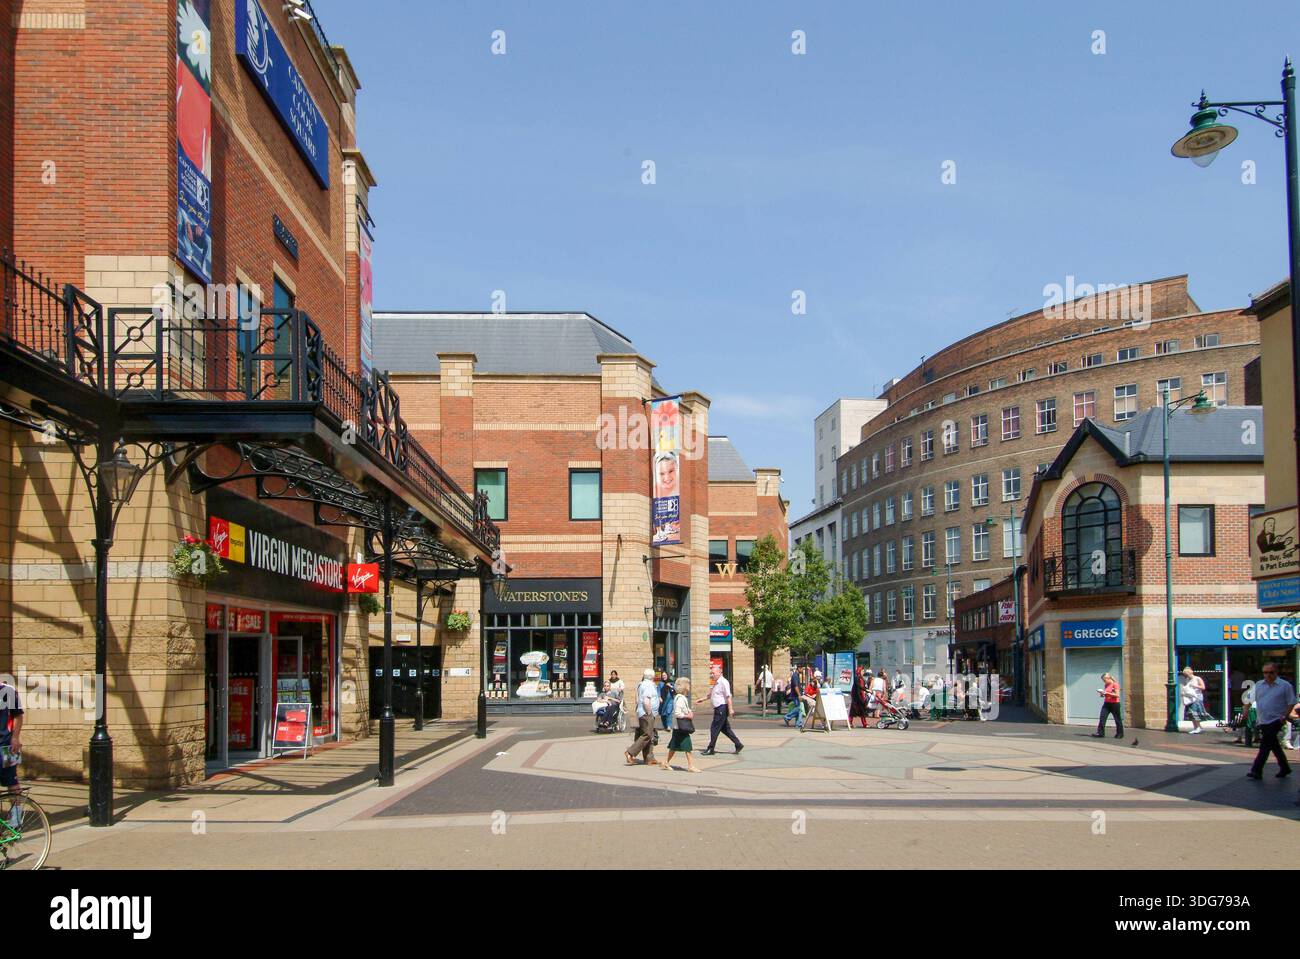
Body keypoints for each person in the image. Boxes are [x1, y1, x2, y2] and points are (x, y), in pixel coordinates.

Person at [1246, 662, 1296, 780]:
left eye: (1271, 672)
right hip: (1263, 719)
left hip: (1276, 719)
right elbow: (1248, 699)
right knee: (1273, 745)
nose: (1268, 675)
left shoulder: (1285, 686)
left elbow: (1291, 702)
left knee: (1265, 744)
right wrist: (1246, 710)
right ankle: (1285, 768)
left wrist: (1284, 716)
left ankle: (1256, 770)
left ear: (1276, 673)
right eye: (1265, 672)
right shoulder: (1259, 684)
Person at [697, 660, 743, 755]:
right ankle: (738, 744)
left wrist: (730, 709)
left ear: (719, 672)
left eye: (713, 673)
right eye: (711, 673)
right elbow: (711, 695)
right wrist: (701, 699)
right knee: (725, 729)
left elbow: (728, 696)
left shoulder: (724, 682)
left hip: (721, 708)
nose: (712, 675)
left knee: (714, 728)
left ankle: (711, 748)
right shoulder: (716, 682)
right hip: (718, 708)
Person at [661, 678, 701, 773]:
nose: (690, 686)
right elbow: (678, 713)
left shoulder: (681, 697)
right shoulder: (680, 698)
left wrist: (691, 710)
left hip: (678, 727)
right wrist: (687, 715)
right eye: (688, 685)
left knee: (674, 746)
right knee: (688, 747)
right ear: (685, 687)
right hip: (681, 727)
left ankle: (666, 762)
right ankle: (690, 766)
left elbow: (684, 710)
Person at [624, 668, 661, 766]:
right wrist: (649, 712)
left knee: (648, 734)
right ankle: (630, 752)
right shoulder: (648, 685)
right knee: (647, 735)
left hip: (642, 712)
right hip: (646, 713)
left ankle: (649, 758)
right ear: (652, 676)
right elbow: (646, 700)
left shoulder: (641, 684)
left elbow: (637, 698)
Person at [0, 679, 23, 828]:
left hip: (6, 746)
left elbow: (18, 715)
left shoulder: (7, 690)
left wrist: (15, 737)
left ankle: (16, 815)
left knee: (12, 782)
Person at [1092, 672, 1123, 739]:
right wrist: (1102, 694)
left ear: (1108, 678)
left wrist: (1107, 693)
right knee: (1102, 717)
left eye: (1104, 680)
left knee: (1117, 719)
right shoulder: (1106, 685)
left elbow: (1117, 695)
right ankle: (1100, 733)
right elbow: (1105, 695)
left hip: (1115, 704)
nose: (1104, 681)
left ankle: (1120, 734)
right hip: (1107, 703)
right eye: (1103, 680)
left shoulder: (1115, 684)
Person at [1180, 667, 1210, 734]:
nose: (1186, 676)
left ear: (1190, 673)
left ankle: (1198, 727)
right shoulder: (1188, 680)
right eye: (1185, 675)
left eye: (1187, 675)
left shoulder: (1197, 678)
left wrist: (1195, 686)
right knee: (1191, 713)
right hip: (1190, 698)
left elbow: (1203, 687)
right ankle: (1196, 727)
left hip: (1197, 697)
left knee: (1195, 713)